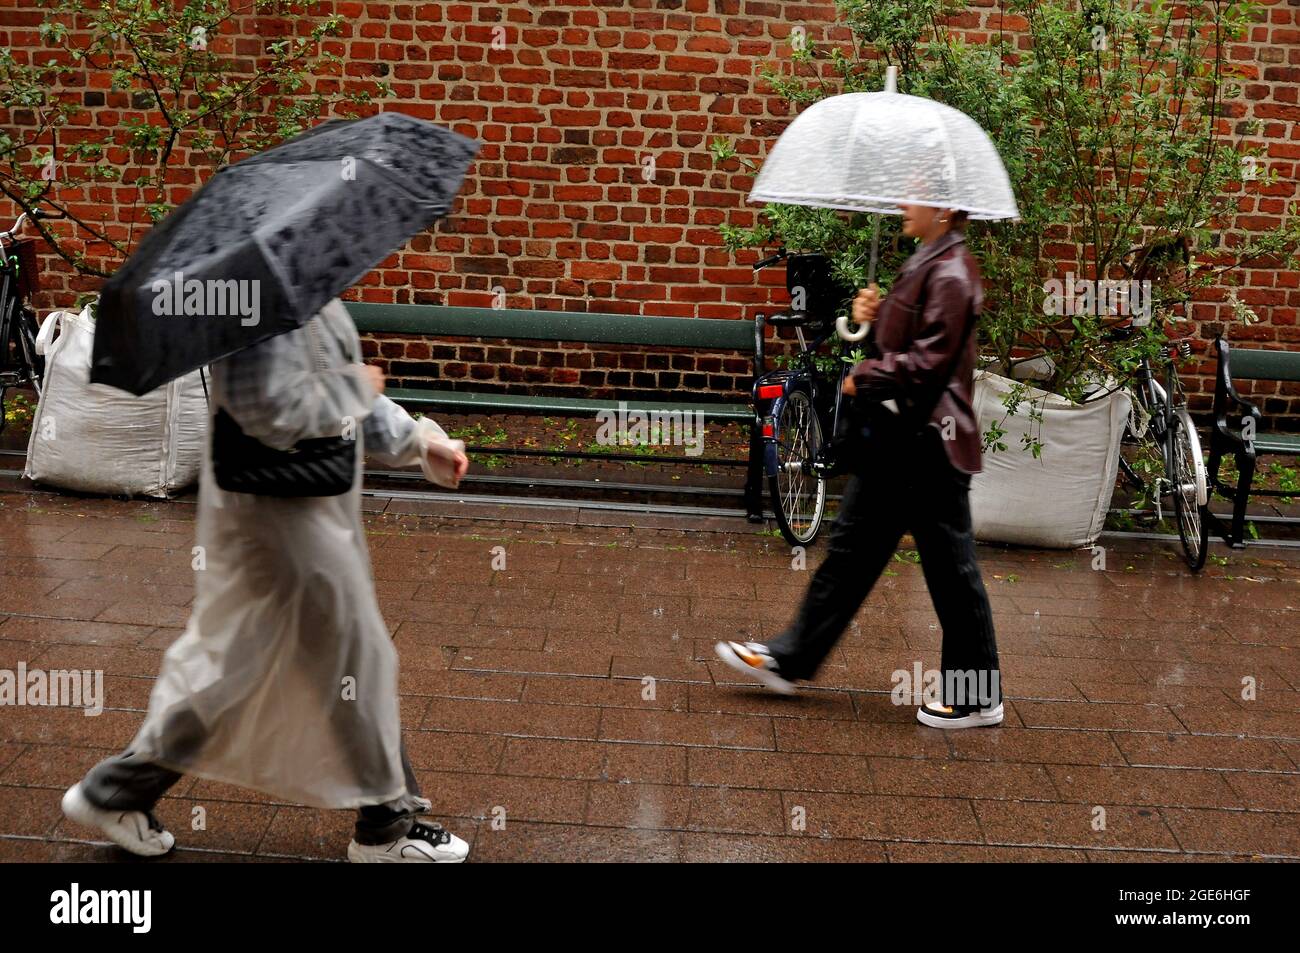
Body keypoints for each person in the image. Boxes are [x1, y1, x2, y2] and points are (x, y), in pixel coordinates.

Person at [61, 298, 473, 861]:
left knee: (247, 669)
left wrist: (421, 442)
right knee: (351, 662)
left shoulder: (307, 295)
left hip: (301, 516)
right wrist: (356, 389)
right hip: (284, 522)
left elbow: (343, 395)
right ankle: (387, 827)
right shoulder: (256, 303)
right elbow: (269, 408)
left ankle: (115, 790)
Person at [716, 204, 1003, 729]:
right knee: (849, 554)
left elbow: (931, 364)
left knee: (951, 571)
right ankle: (791, 659)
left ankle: (978, 696)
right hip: (899, 443)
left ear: (941, 208)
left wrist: (863, 377)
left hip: (932, 447)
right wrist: (871, 324)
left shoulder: (953, 272)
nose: (903, 205)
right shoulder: (928, 262)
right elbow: (904, 349)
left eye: (914, 195)